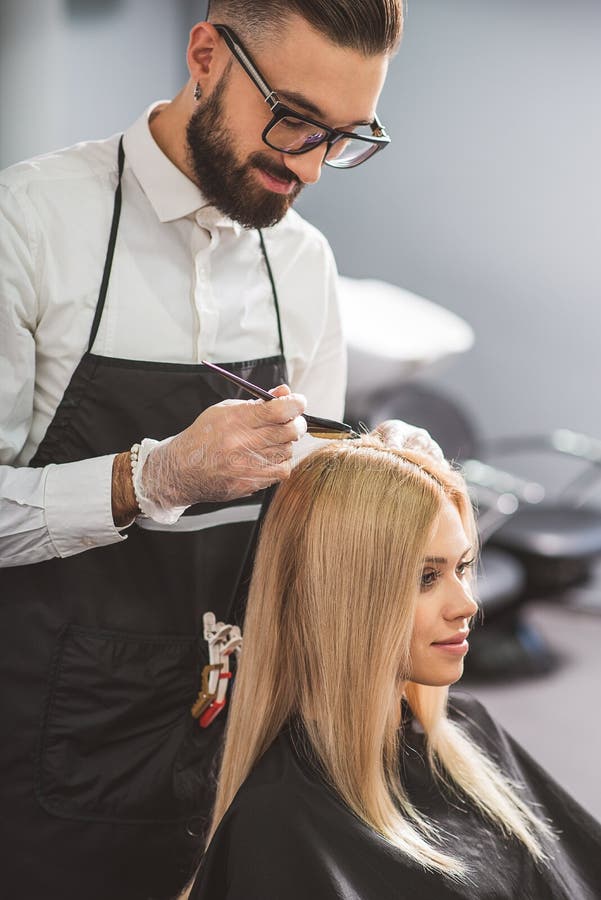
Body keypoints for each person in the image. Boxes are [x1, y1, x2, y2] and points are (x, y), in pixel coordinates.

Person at [0, 2, 435, 899]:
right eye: (294, 118)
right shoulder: (29, 225)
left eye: (342, 138)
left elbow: (301, 519)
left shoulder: (302, 263)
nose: (307, 164)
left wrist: (375, 480)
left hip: (232, 728)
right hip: (42, 727)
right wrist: (149, 478)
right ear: (205, 55)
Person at [189, 434, 601, 899]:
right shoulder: (278, 823)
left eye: (462, 568)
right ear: (344, 596)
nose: (467, 605)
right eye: (427, 577)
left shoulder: (466, 731)